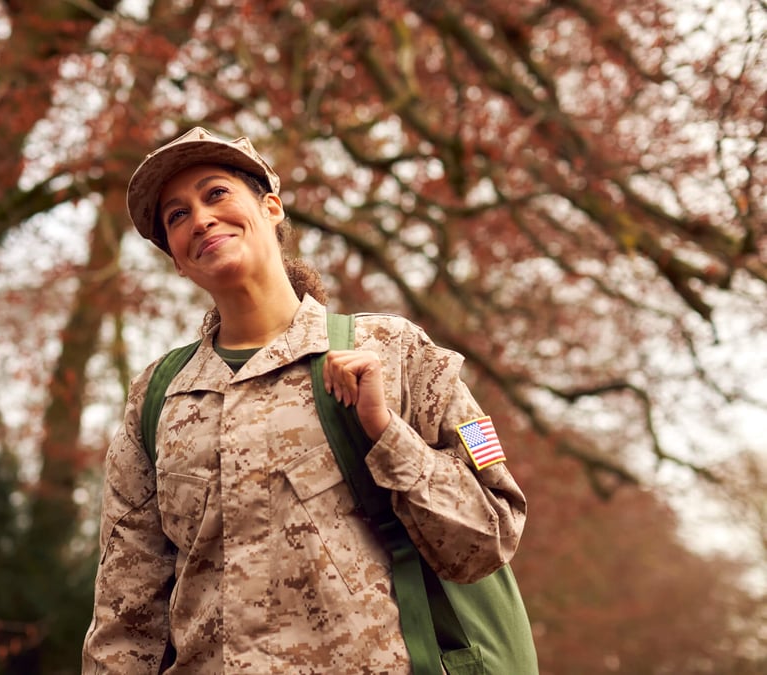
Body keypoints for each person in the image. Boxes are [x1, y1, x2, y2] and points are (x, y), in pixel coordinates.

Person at [82, 127, 529, 674]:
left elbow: (489, 537)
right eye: (177, 216)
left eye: (216, 193)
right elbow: (125, 614)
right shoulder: (156, 400)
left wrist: (387, 434)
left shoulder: (395, 352)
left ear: (271, 207)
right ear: (177, 259)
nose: (199, 219)